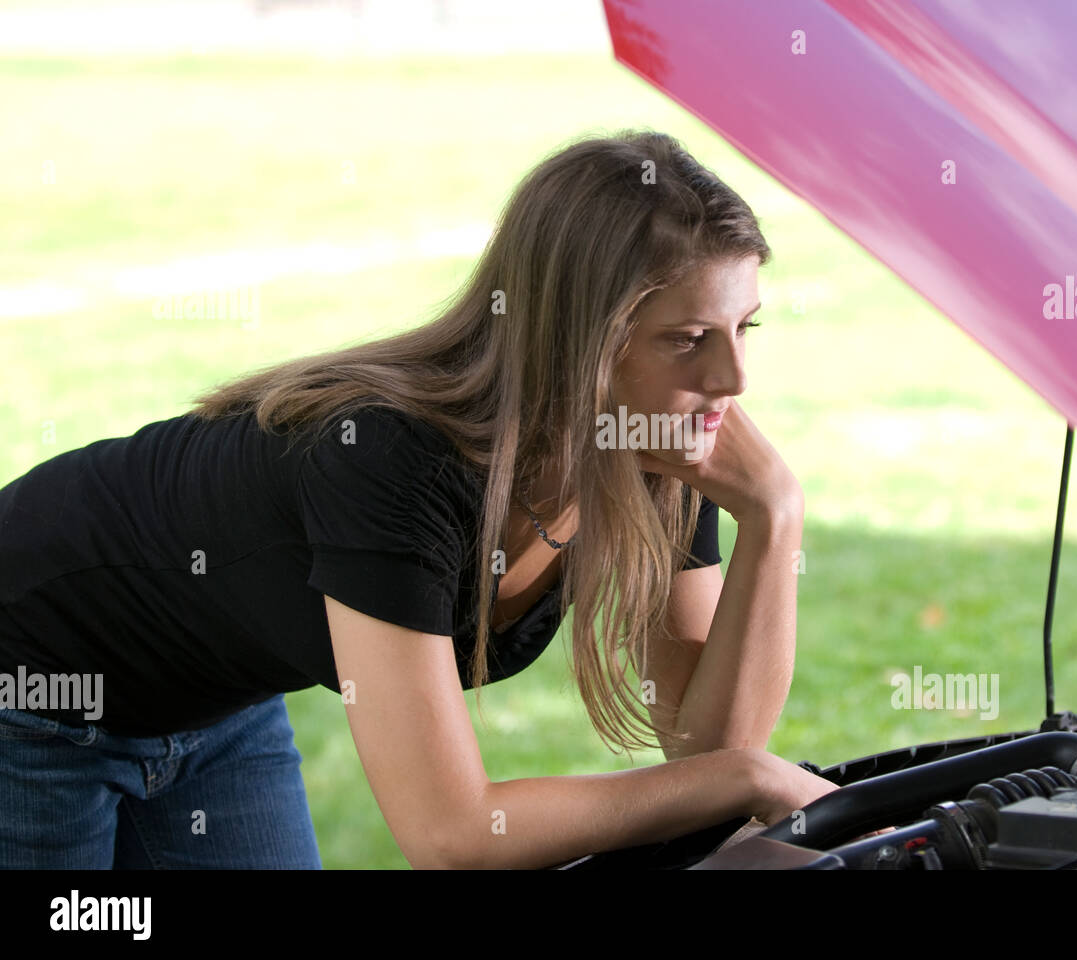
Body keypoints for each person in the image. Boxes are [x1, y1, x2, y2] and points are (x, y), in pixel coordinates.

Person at [0, 129, 840, 870]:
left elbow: (708, 754)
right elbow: (453, 835)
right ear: (581, 337)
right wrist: (739, 776)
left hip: (219, 705)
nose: (733, 379)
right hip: (30, 685)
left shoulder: (653, 437)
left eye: (744, 328)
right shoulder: (394, 461)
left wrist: (773, 516)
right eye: (688, 339)